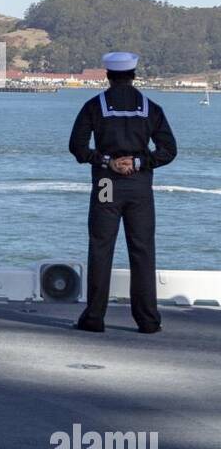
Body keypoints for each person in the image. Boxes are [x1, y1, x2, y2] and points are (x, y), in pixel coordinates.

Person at [69, 50, 177, 335]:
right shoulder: (151, 108)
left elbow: (77, 147)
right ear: (133, 75)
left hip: (107, 184)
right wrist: (140, 162)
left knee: (101, 247)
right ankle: (148, 320)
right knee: (142, 250)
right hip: (140, 186)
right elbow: (169, 150)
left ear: (107, 75)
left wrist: (107, 161)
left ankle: (94, 318)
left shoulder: (94, 106)